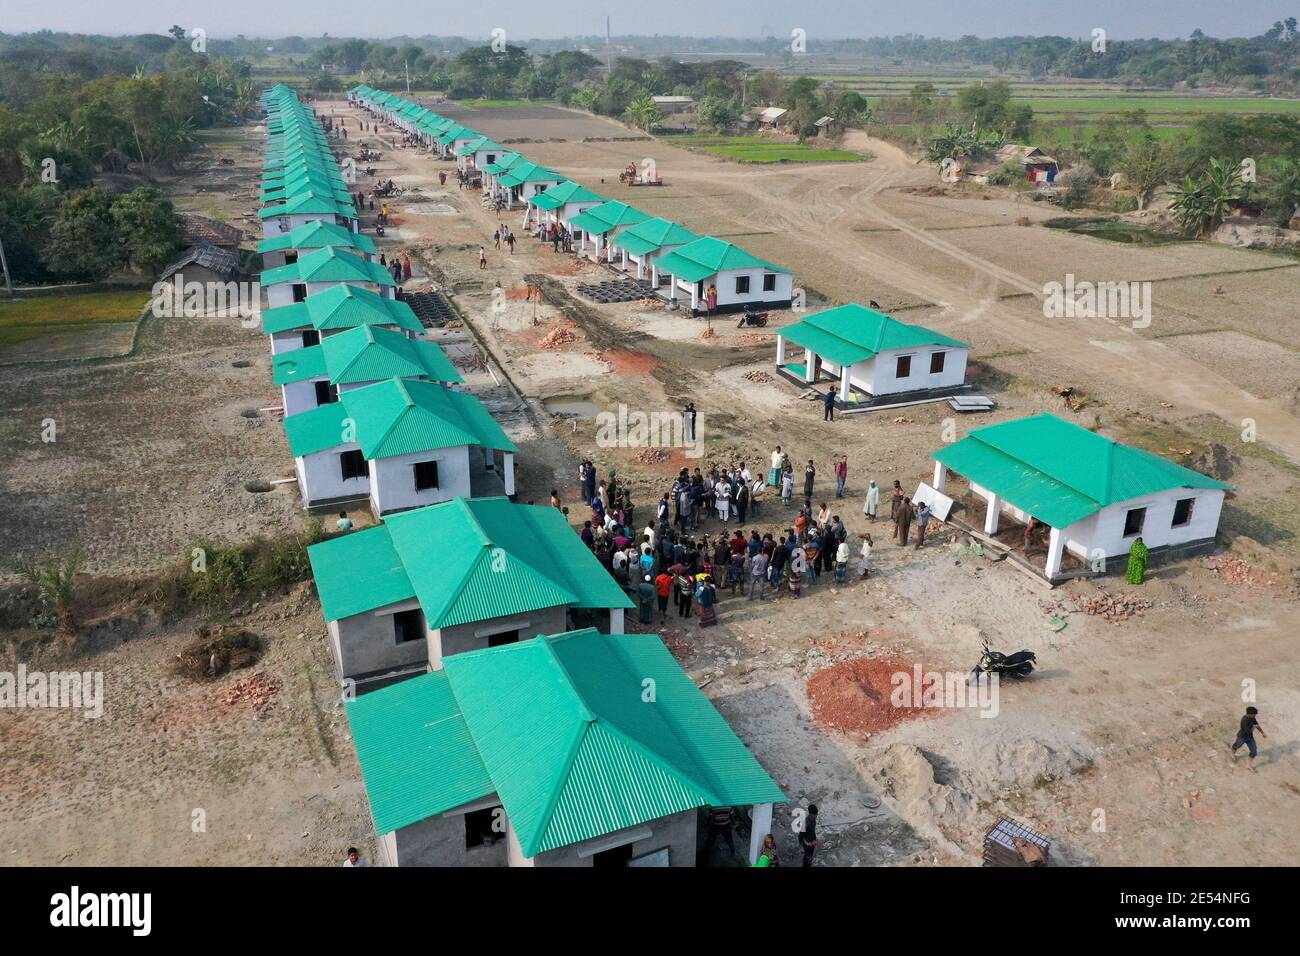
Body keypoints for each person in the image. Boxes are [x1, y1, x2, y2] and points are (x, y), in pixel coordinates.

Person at [1231, 707, 1266, 771]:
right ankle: (1233, 754)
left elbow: (1256, 725)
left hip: (1250, 737)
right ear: (1250, 714)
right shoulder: (1244, 720)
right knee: (1237, 746)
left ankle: (1248, 765)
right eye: (1254, 714)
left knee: (1254, 751)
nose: (1255, 715)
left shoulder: (1252, 718)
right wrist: (1253, 727)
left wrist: (1262, 733)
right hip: (1242, 737)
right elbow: (1248, 731)